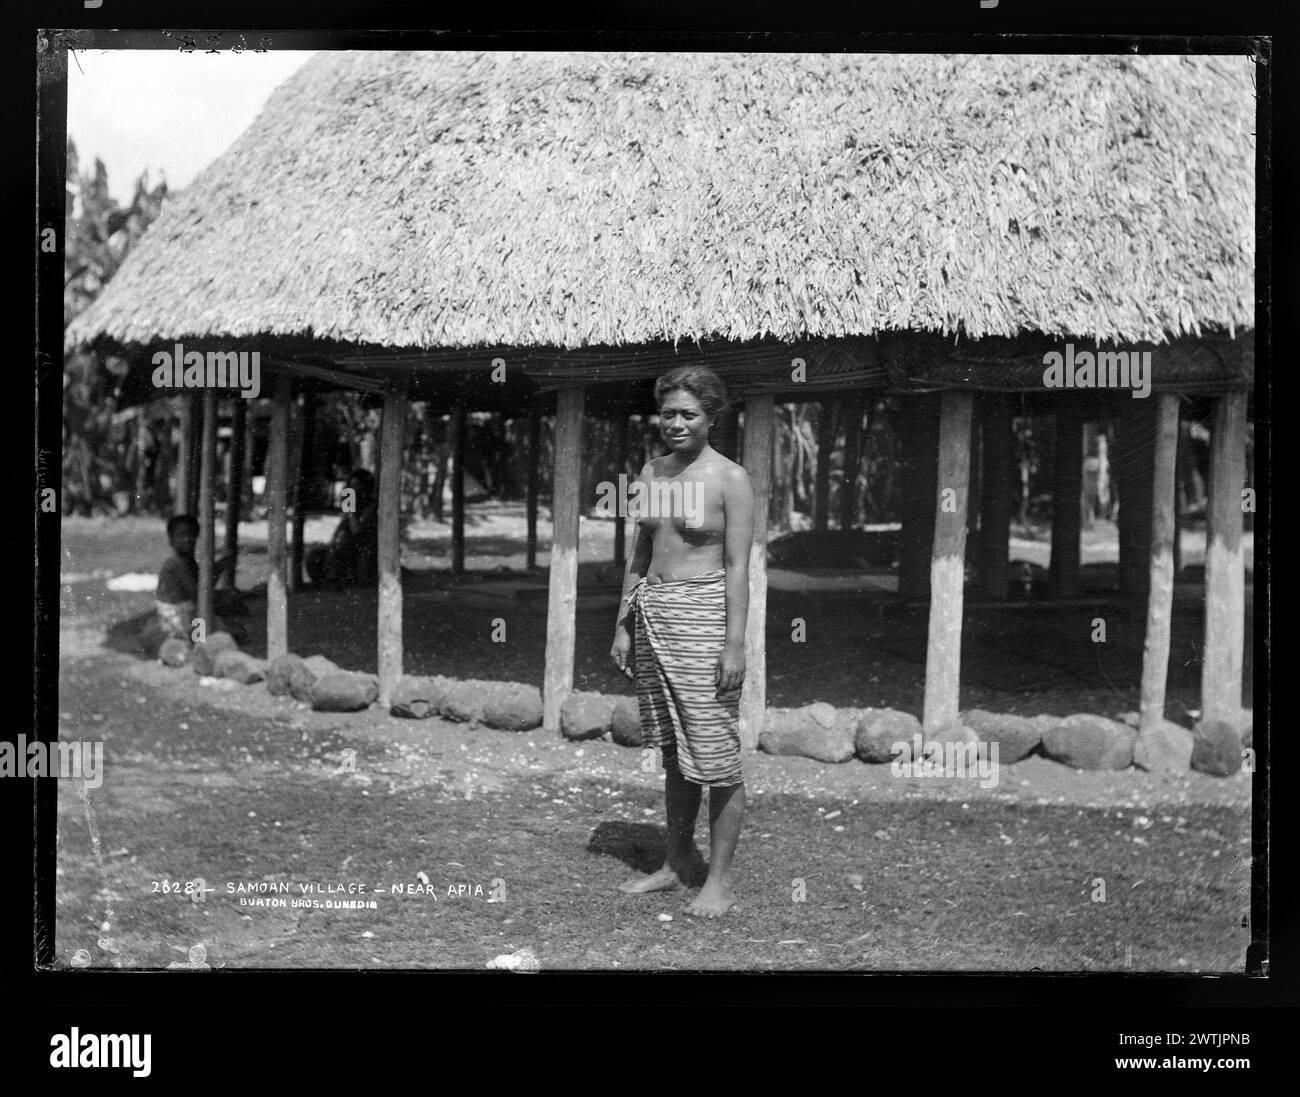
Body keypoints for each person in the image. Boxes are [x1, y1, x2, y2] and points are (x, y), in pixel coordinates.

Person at [611, 366, 755, 917]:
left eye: (687, 414)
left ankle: (718, 881)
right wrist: (624, 624)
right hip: (653, 617)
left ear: (711, 417)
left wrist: (734, 644)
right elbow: (639, 556)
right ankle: (676, 864)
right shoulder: (651, 472)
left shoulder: (730, 480)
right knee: (674, 752)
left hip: (705, 620)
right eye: (668, 413)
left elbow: (739, 566)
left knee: (716, 753)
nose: (675, 423)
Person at [154, 515, 241, 642]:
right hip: (177, 618)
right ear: (171, 540)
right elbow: (199, 593)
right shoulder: (175, 563)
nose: (187, 539)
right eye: (181, 536)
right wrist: (219, 568)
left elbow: (200, 583)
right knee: (224, 633)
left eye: (191, 535)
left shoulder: (188, 561)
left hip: (186, 612)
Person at [305, 469, 378, 588]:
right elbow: (342, 530)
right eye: (351, 486)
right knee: (314, 556)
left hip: (357, 553)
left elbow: (357, 533)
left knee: (336, 559)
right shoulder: (354, 504)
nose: (353, 489)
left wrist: (350, 512)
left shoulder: (371, 507)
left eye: (356, 486)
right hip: (343, 550)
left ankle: (334, 582)